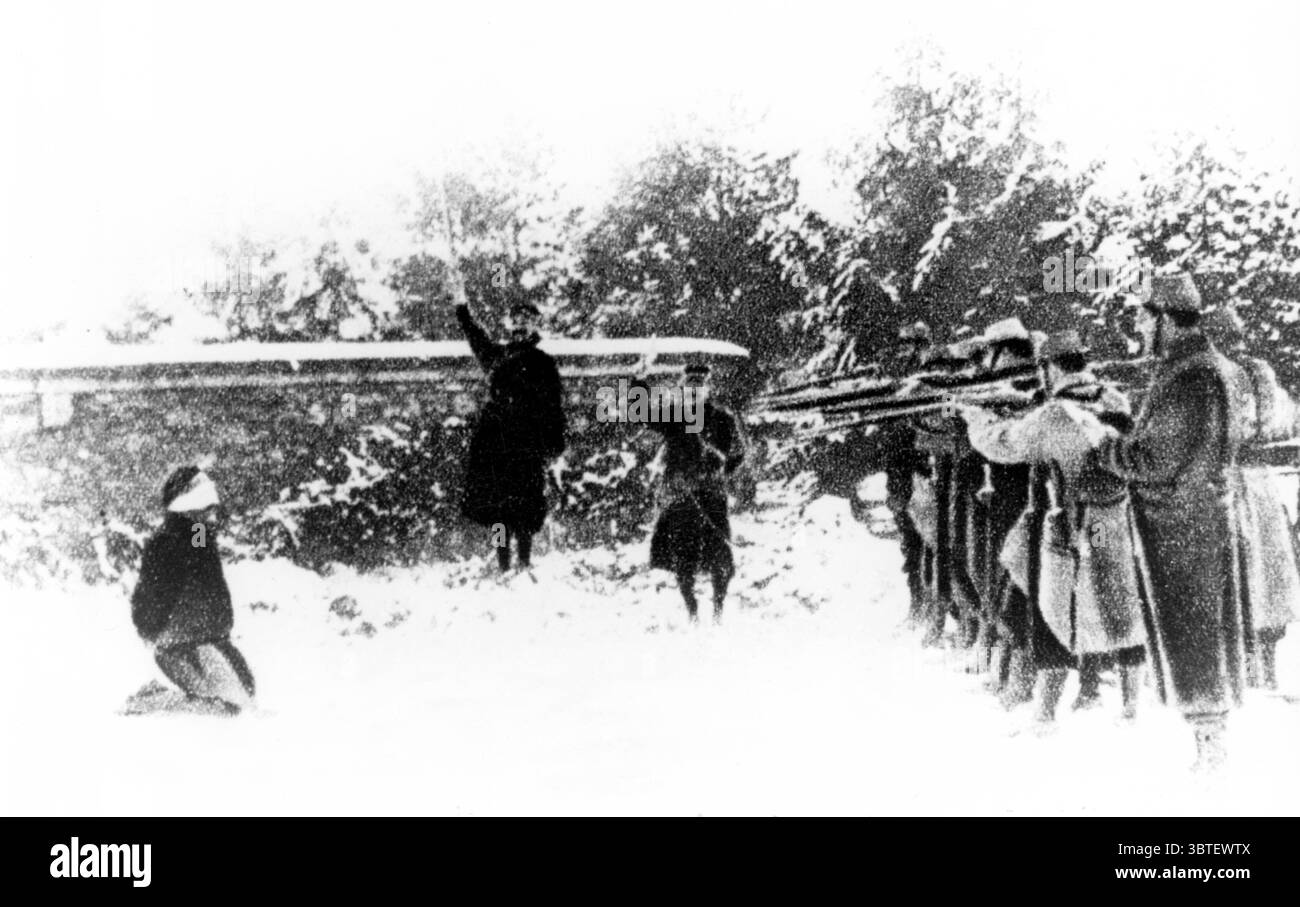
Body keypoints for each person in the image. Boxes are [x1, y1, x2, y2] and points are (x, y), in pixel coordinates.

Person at [1090, 273, 1248, 771]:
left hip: (1184, 526)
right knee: (1203, 632)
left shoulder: (1189, 374)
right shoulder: (1211, 367)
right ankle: (1210, 743)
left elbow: (1156, 456)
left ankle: (1211, 753)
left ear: (1164, 318)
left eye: (1142, 315)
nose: (1137, 324)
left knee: (1194, 634)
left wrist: (1107, 447)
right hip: (1199, 517)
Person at [965, 330, 1146, 728]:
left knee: (1054, 615)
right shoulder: (1115, 400)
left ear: (1050, 367)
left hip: (1070, 528)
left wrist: (976, 419)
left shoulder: (1053, 414)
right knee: (1121, 607)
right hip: (1114, 524)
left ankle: (1044, 716)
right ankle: (1131, 708)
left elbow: (1005, 445)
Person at [1203, 306, 1299, 691]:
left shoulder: (1218, 376)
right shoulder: (1263, 375)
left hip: (1230, 480)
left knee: (1239, 570)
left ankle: (1246, 669)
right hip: (1261, 484)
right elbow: (1281, 419)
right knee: (1267, 572)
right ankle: (1266, 669)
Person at [129, 466, 255, 715]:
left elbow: (206, 577)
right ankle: (152, 701)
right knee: (227, 707)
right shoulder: (166, 542)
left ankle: (164, 699)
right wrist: (155, 630)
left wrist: (220, 625)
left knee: (243, 697)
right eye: (206, 509)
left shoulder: (197, 533)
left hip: (210, 638)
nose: (212, 515)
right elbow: (154, 595)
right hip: (182, 643)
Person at [455, 301, 567, 573]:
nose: (519, 325)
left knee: (525, 507)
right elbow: (477, 339)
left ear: (535, 325)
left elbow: (553, 405)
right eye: (515, 319)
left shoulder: (543, 363)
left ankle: (524, 562)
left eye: (526, 319)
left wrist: (554, 442)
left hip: (527, 443)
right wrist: (463, 313)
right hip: (495, 444)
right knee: (498, 511)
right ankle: (503, 562)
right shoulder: (498, 356)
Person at [638, 364, 746, 623]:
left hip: (699, 495)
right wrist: (638, 382)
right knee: (695, 555)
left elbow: (738, 452)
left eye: (697, 387)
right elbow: (641, 412)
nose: (694, 392)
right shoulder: (682, 419)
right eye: (691, 387)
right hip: (692, 494)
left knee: (707, 555)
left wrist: (721, 466)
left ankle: (709, 610)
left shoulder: (714, 418)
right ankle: (699, 612)